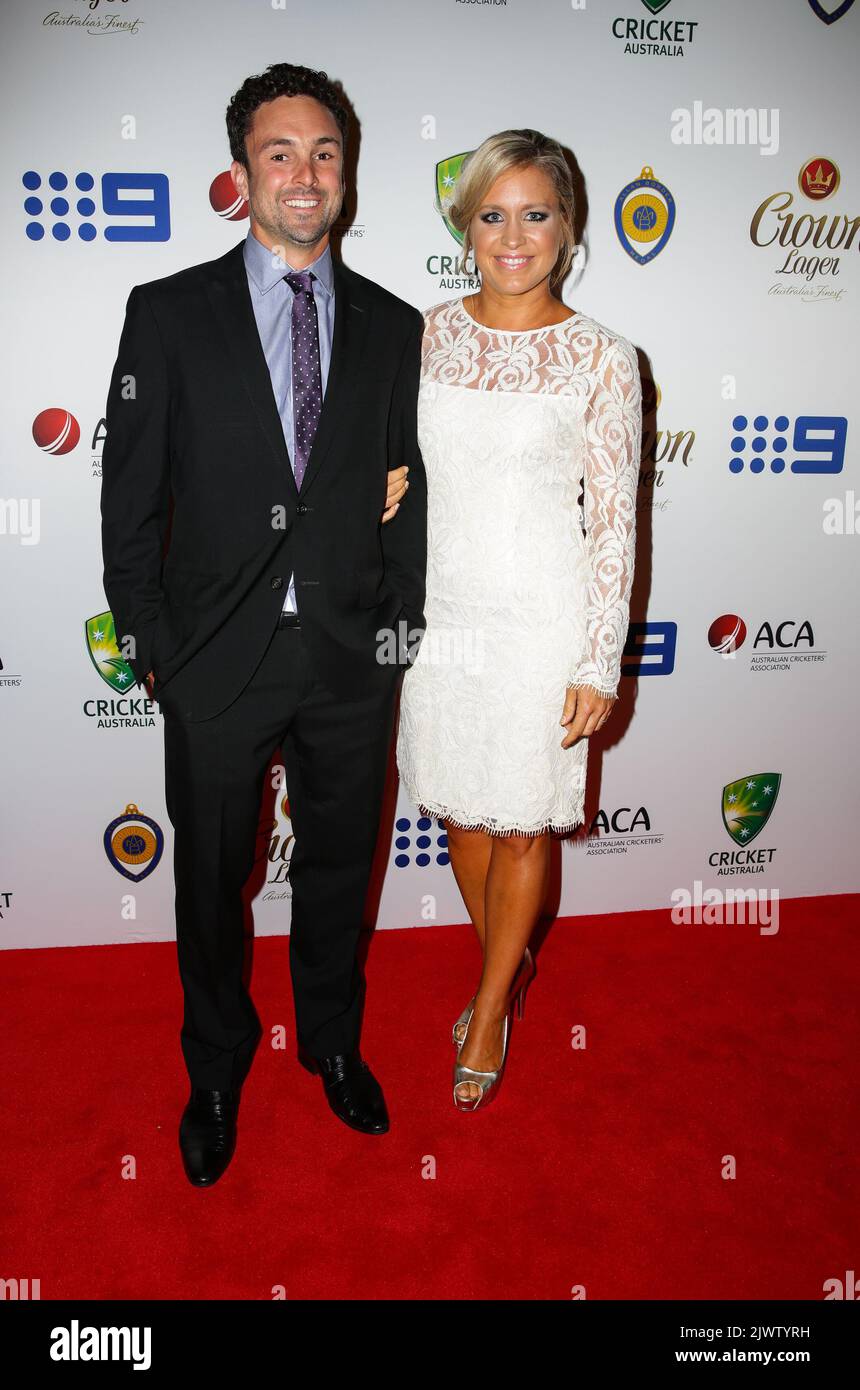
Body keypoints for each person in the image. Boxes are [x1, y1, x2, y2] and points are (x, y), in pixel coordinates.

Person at [101, 62, 427, 1185]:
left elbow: (408, 485)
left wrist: (402, 628)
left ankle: (332, 1045)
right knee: (209, 882)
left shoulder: (391, 325)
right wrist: (151, 645)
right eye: (280, 152)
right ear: (242, 172)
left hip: (347, 659)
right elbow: (129, 493)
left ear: (347, 172)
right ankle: (217, 1067)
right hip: (215, 662)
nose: (305, 173)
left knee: (340, 867)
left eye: (325, 153)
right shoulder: (168, 312)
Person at [396, 129, 642, 1111]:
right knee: (464, 814)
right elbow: (393, 467)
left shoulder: (602, 356)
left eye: (534, 213)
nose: (512, 234)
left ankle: (491, 1002)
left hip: (542, 616)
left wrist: (598, 658)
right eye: (491, 213)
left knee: (522, 827)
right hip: (441, 617)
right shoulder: (422, 333)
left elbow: (615, 516)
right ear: (464, 225)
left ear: (566, 227)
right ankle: (503, 964)